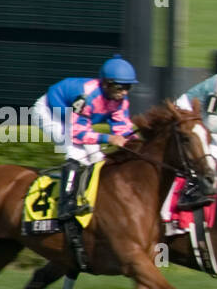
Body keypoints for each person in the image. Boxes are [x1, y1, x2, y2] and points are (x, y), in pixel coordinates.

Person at [32, 54, 138, 268]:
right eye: (121, 87)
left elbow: (123, 129)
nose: (125, 92)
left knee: (98, 157)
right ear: (106, 84)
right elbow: (79, 133)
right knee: (77, 152)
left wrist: (138, 144)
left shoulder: (120, 99)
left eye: (128, 87)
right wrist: (109, 138)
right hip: (51, 111)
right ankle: (65, 207)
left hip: (74, 117)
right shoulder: (87, 97)